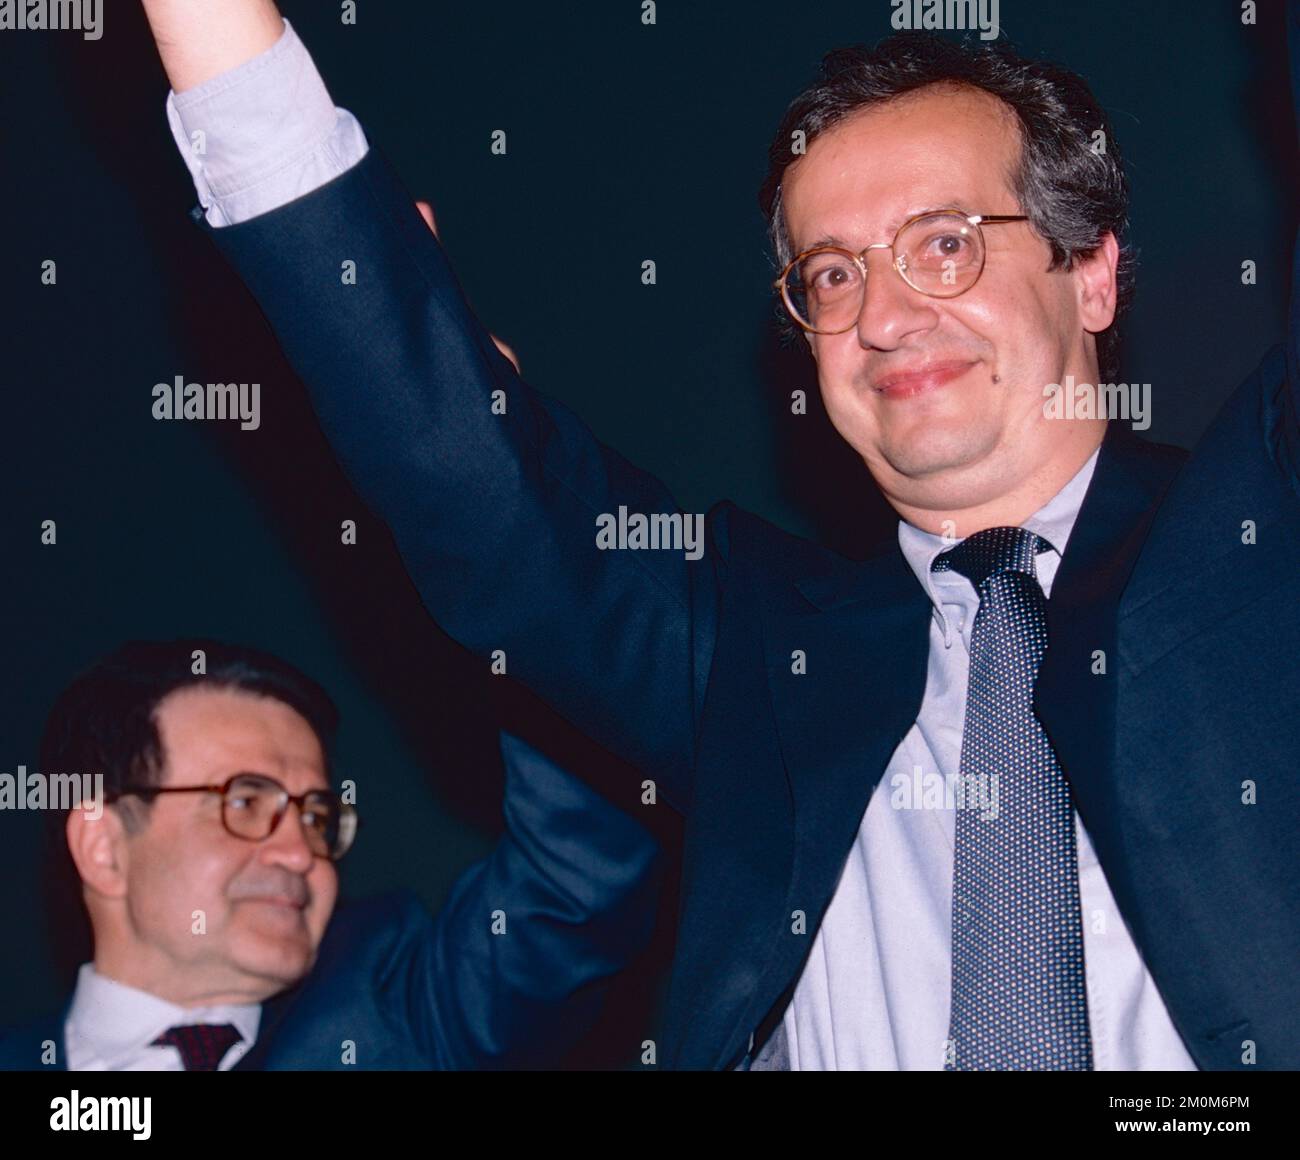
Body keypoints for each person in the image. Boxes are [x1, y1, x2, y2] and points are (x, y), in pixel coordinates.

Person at [136, 0, 1300, 1070]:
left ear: (1091, 273)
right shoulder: (752, 654)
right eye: (830, 276)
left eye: (943, 243)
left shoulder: (1260, 540)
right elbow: (465, 474)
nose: (886, 317)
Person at [0, 640, 660, 1070]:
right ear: (103, 847)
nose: (300, 853)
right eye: (247, 804)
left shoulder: (400, 1007)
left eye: (317, 815)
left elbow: (578, 873)